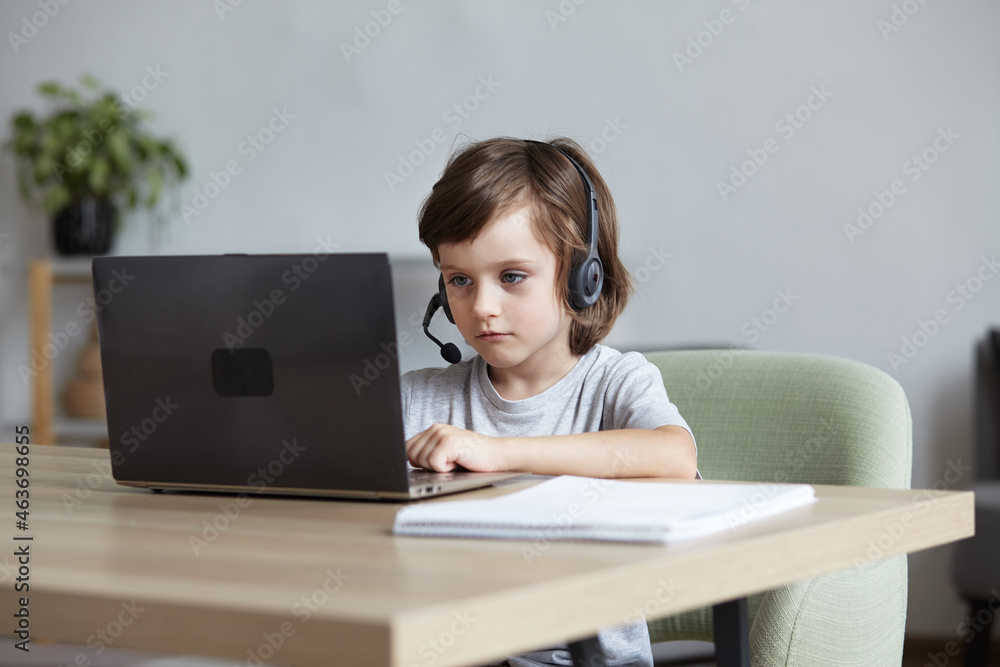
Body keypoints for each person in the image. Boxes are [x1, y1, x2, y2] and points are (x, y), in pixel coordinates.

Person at [400, 137, 698, 667]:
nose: (482, 306)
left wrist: (497, 452)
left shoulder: (615, 382)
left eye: (511, 276)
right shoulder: (418, 398)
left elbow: (674, 457)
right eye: (459, 280)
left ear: (585, 277)